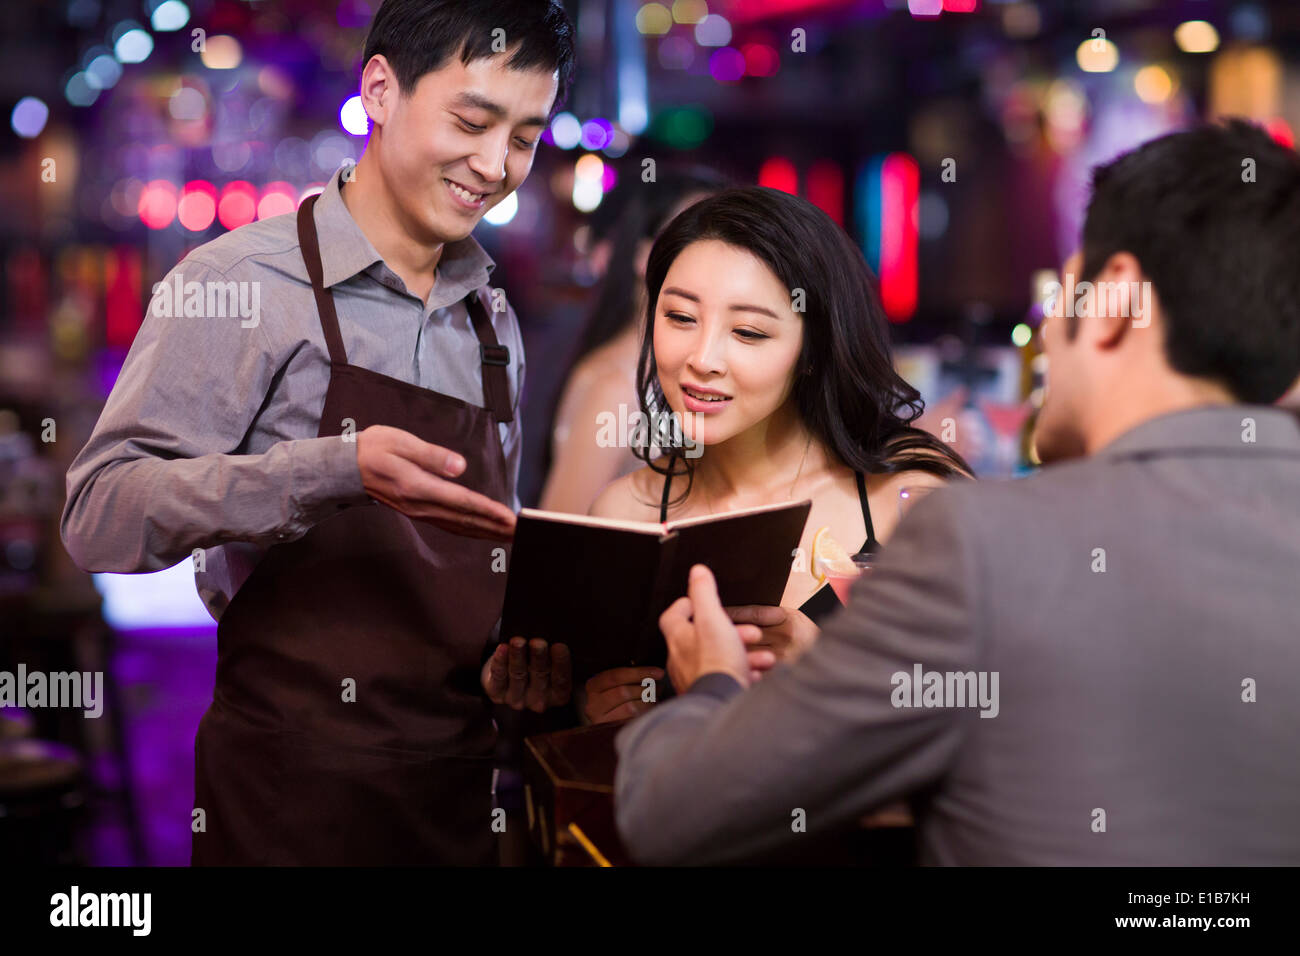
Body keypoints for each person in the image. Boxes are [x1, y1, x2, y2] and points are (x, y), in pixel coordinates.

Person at [613, 119, 1300, 865]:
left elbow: (672, 814)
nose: (1044, 332)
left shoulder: (976, 540)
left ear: (1116, 303)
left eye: (1060, 295)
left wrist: (713, 685)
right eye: (680, 317)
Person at [60, 0, 575, 865]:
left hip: (454, 790)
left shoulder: (492, 323)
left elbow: (483, 564)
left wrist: (516, 657)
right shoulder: (240, 282)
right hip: (289, 794)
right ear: (380, 89)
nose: (495, 166)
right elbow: (98, 517)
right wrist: (331, 470)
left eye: (523, 138)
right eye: (472, 120)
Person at [582, 186, 970, 724]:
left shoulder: (909, 498)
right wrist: (598, 713)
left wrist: (822, 665)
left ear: (813, 348)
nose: (703, 359)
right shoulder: (626, 515)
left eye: (747, 331)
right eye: (679, 317)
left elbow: (988, 705)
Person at [538, 166, 730, 514]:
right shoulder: (618, 386)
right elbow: (559, 534)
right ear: (642, 256)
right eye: (696, 237)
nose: (719, 257)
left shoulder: (672, 374)